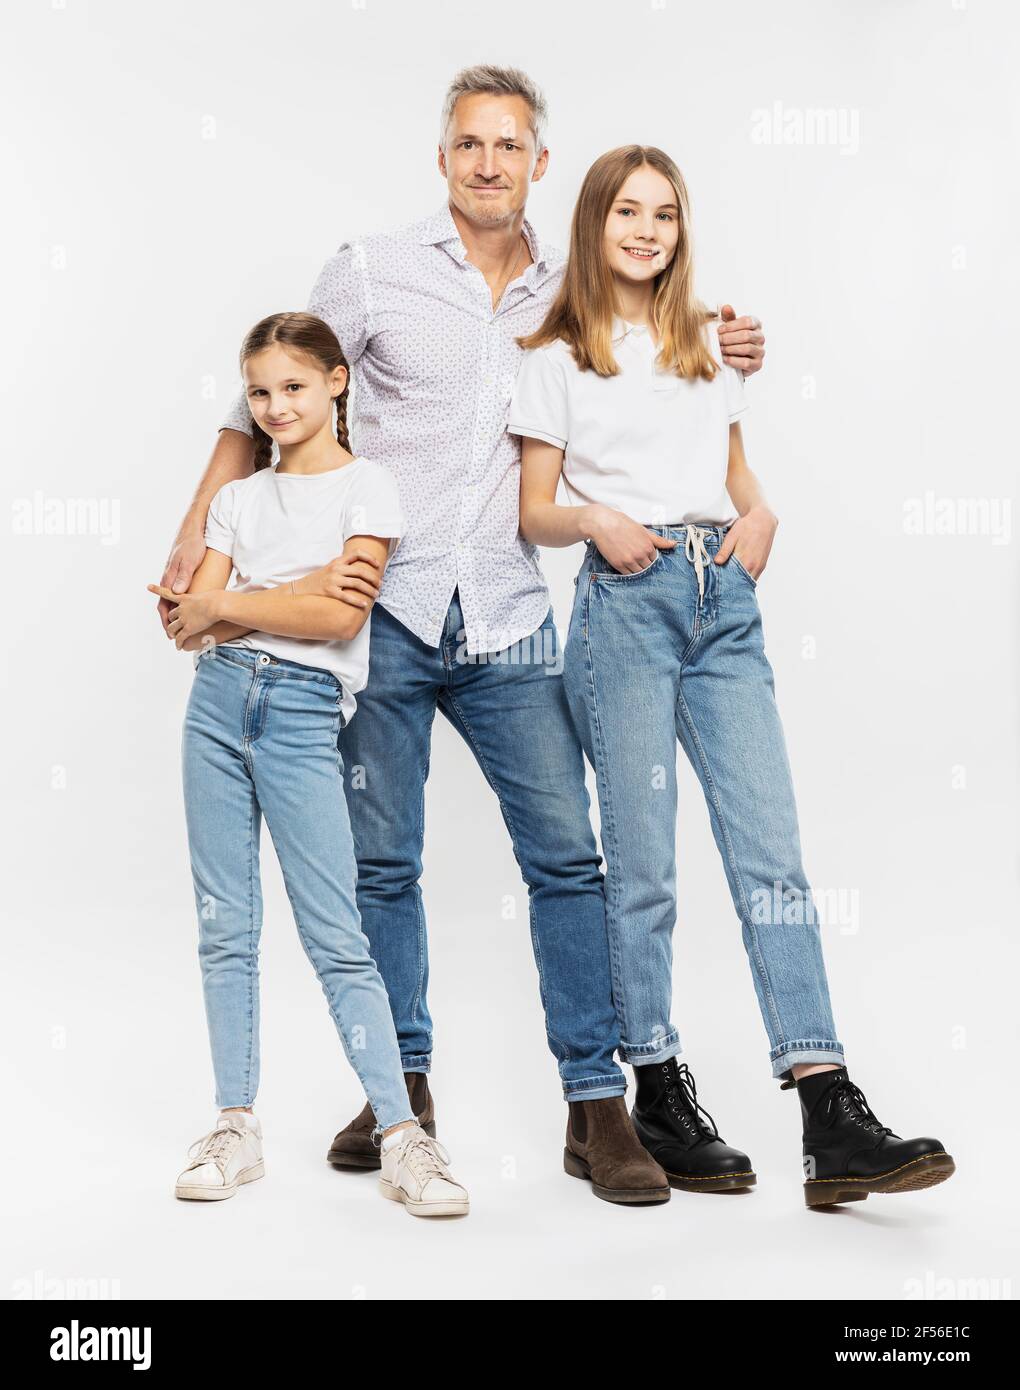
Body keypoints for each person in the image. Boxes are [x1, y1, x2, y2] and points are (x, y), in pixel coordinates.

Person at [156, 65, 765, 1205]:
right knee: (382, 864)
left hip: (510, 616)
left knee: (566, 857)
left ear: (540, 163)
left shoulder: (572, 282)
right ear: (444, 159)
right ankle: (406, 1092)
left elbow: (657, 340)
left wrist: (736, 346)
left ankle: (597, 1102)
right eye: (470, 144)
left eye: (512, 146)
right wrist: (198, 535)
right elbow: (267, 397)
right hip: (379, 613)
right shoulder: (372, 268)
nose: (491, 163)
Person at [510, 145, 955, 1207]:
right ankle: (656, 1084)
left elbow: (732, 465)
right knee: (647, 866)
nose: (648, 229)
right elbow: (534, 509)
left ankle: (827, 1103)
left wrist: (757, 515)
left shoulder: (713, 340)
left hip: (725, 600)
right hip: (625, 602)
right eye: (628, 210)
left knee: (773, 853)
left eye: (665, 212)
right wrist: (597, 520)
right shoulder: (555, 356)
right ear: (594, 222)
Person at [149, 312, 469, 1217]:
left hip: (298, 715)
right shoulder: (239, 498)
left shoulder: (371, 489)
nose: (275, 406)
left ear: (337, 382)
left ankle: (406, 1138)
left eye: (293, 386)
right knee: (226, 927)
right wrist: (284, 593)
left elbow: (340, 623)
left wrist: (229, 601)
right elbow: (186, 625)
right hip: (214, 707)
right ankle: (234, 1126)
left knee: (337, 933)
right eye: (259, 392)